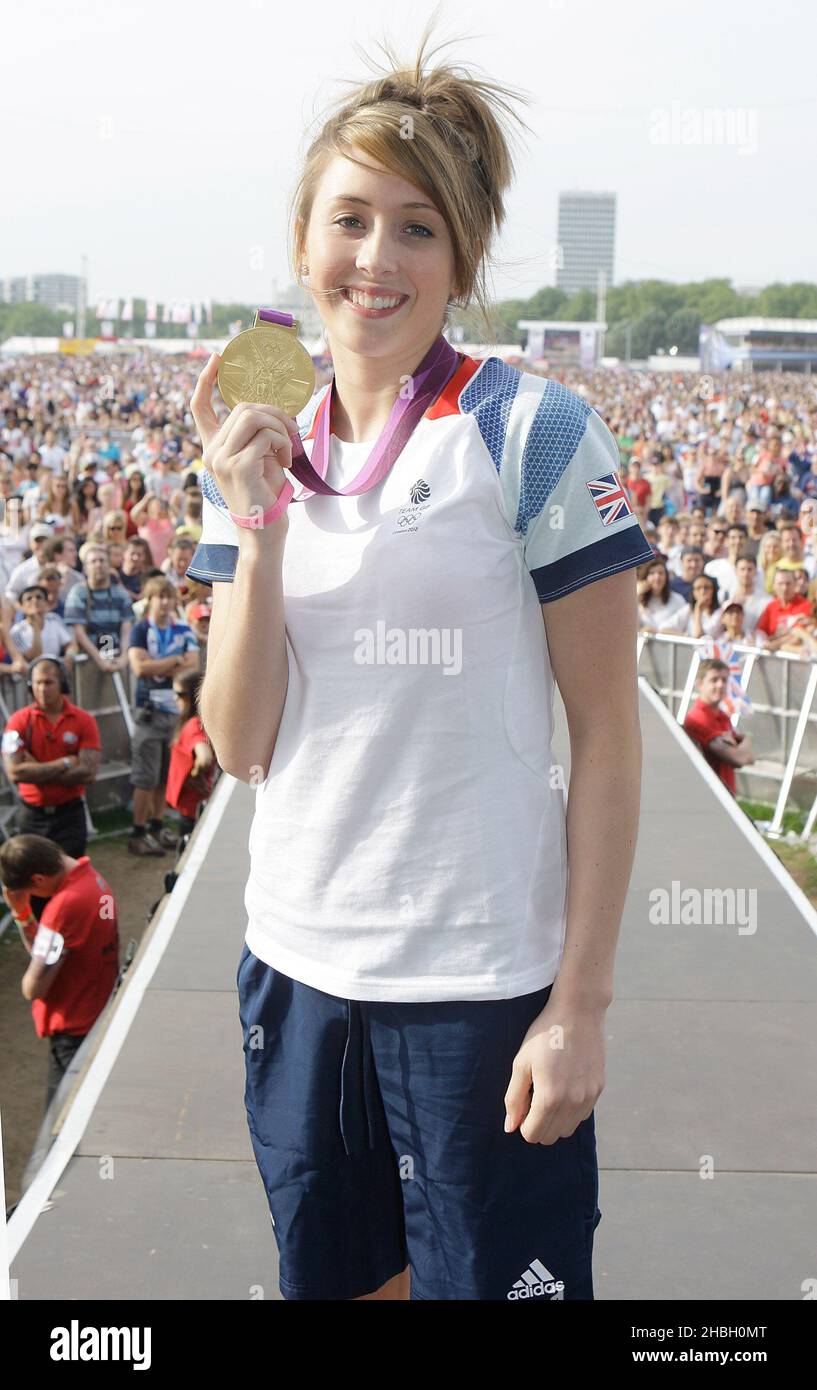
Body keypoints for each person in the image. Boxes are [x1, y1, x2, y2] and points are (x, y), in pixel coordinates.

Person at [186, 28, 653, 1303]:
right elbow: (242, 743)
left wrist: (581, 1006)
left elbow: (608, 734)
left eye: (416, 228)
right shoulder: (253, 422)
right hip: (295, 961)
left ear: (463, 256)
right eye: (349, 220)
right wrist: (259, 516)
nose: (375, 260)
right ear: (303, 237)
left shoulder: (534, 430)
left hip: (481, 981)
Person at [0, 833, 119, 1112]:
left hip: (74, 1029)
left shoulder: (62, 908)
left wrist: (20, 913)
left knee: (59, 1121)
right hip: (99, 1007)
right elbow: (49, 954)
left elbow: (33, 987)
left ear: (39, 879)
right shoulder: (95, 880)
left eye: (30, 891)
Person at [1, 655, 102, 914]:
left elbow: (88, 773)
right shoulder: (19, 721)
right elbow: (15, 773)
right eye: (37, 683)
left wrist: (36, 768)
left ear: (62, 684)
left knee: (73, 883)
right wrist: (66, 763)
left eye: (49, 682)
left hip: (70, 814)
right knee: (33, 886)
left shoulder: (83, 720)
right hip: (32, 817)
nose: (42, 689)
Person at [126, 575, 200, 855]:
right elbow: (139, 669)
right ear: (150, 600)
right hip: (149, 710)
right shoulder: (141, 630)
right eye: (161, 596)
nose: (167, 602)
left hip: (176, 712)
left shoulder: (182, 628)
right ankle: (138, 831)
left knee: (163, 775)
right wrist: (173, 662)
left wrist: (159, 664)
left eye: (170, 597)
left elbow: (191, 666)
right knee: (145, 776)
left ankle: (157, 826)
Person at [683, 659, 755, 794]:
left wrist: (741, 744)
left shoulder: (723, 716)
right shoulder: (698, 718)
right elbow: (739, 759)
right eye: (714, 680)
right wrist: (747, 739)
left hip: (725, 795)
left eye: (724, 680)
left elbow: (750, 758)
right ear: (699, 683)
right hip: (708, 797)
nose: (720, 684)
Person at [165, 669, 216, 837]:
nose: (175, 699)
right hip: (196, 806)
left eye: (180, 694)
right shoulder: (203, 721)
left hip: (194, 809)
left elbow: (205, 757)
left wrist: (195, 774)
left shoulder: (193, 725)